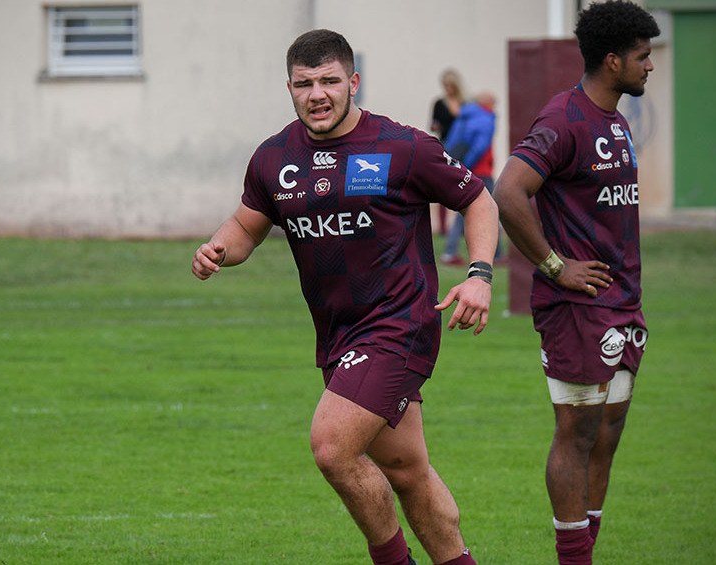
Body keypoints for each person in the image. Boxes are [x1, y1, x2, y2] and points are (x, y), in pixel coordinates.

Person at [192, 29, 498, 565]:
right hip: (339, 334)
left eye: (329, 81)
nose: (317, 94)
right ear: (289, 88)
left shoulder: (402, 147)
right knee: (408, 471)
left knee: (332, 446)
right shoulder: (274, 158)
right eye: (304, 84)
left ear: (353, 82)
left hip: (399, 324)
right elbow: (245, 226)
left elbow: (478, 200)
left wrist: (479, 275)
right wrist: (218, 248)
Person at [492, 2, 659, 564]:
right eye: (642, 56)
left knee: (609, 432)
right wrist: (555, 265)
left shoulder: (616, 121)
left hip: (623, 303)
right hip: (578, 307)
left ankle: (586, 553)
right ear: (612, 61)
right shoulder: (563, 119)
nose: (650, 65)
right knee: (578, 432)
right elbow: (508, 191)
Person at [440, 91, 503, 266]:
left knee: (468, 210)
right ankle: (496, 254)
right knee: (489, 209)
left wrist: (460, 168)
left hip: (466, 169)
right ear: (488, 103)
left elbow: (452, 142)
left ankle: (451, 251)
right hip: (481, 170)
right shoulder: (486, 118)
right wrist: (468, 165)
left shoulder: (464, 116)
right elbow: (480, 146)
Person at [431, 68, 465, 234]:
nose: (447, 89)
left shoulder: (465, 104)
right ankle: (443, 226)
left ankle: (460, 225)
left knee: (462, 182)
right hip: (445, 145)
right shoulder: (439, 103)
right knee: (442, 184)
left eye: (449, 86)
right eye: (445, 86)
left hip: (463, 146)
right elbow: (433, 123)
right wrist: (436, 126)